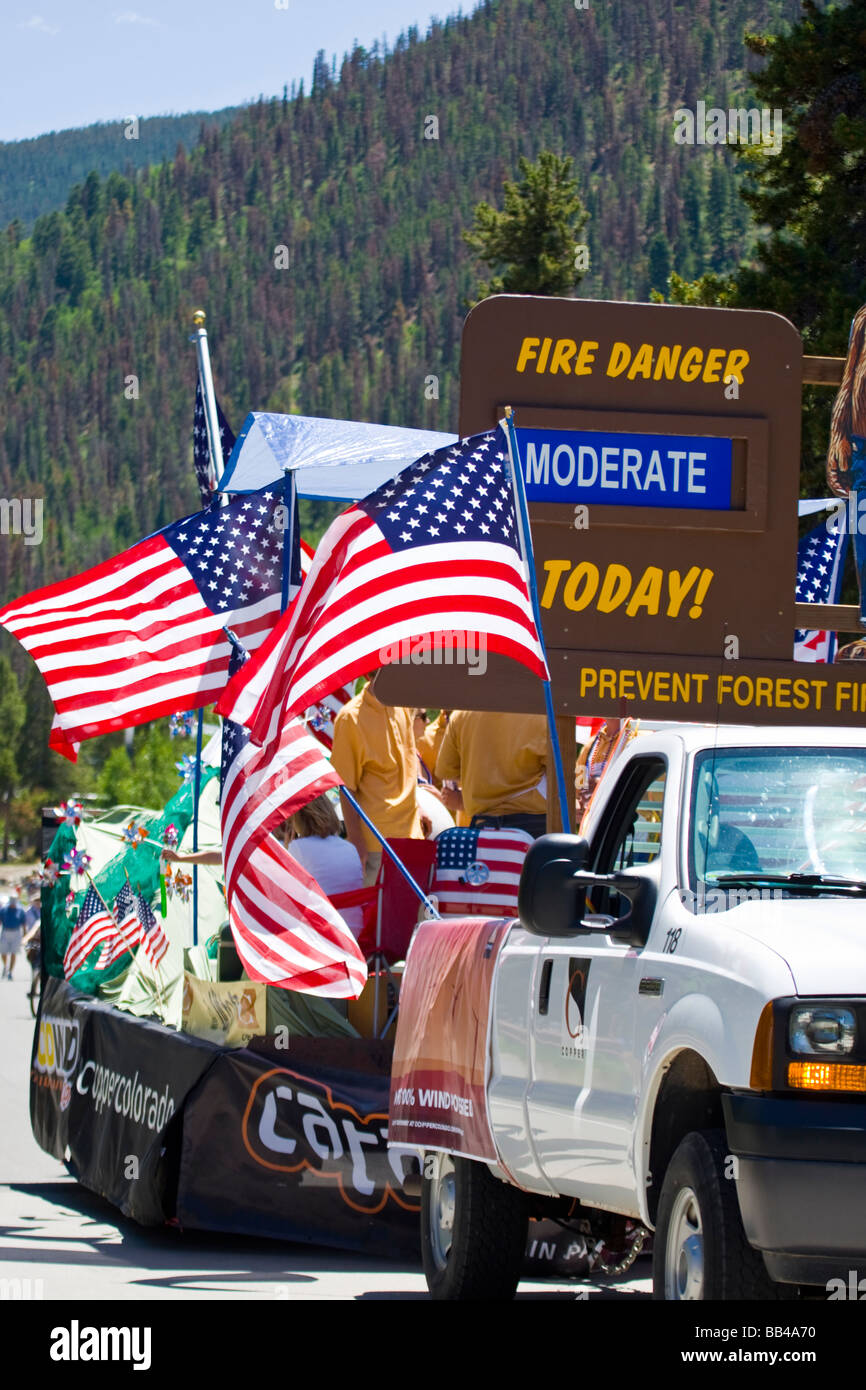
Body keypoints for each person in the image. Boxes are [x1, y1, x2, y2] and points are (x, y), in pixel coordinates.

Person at [330, 674, 423, 885]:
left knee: (413, 917)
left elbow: (407, 763)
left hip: (413, 841)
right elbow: (345, 788)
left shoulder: (403, 707)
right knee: (379, 917)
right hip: (376, 849)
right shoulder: (350, 719)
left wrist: (420, 807)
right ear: (368, 673)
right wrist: (357, 843)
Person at [435, 710, 549, 838]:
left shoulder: (462, 713)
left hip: (484, 824)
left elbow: (446, 770)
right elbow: (559, 772)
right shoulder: (541, 714)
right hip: (534, 823)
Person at [285, 794, 366, 937]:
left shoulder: (298, 848)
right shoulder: (349, 847)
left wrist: (286, 849)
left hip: (324, 934)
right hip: (356, 930)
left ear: (299, 819)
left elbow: (286, 895)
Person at [0, 888, 27, 981]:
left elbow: (23, 923)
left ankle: (10, 971)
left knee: (13, 953)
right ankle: (5, 966)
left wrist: (25, 935)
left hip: (16, 932)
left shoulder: (20, 910)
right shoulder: (4, 909)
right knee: (3, 952)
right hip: (5, 931)